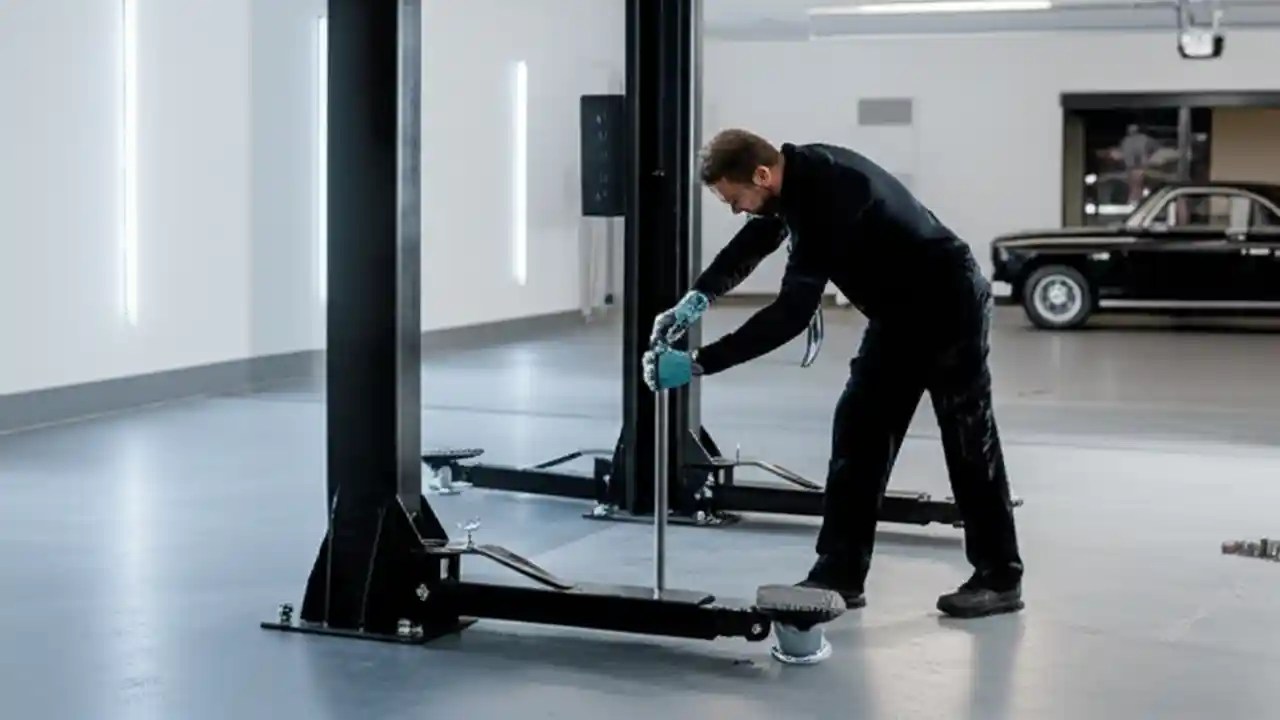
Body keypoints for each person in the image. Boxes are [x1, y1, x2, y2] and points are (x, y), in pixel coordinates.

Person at [641, 129, 1024, 619]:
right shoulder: (793, 181)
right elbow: (753, 240)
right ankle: (839, 573)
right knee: (859, 431)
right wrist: (695, 300)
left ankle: (999, 577)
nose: (737, 210)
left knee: (968, 434)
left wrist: (700, 362)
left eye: (735, 200)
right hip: (897, 313)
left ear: (761, 175)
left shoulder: (830, 190)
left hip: (948, 301)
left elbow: (791, 313)